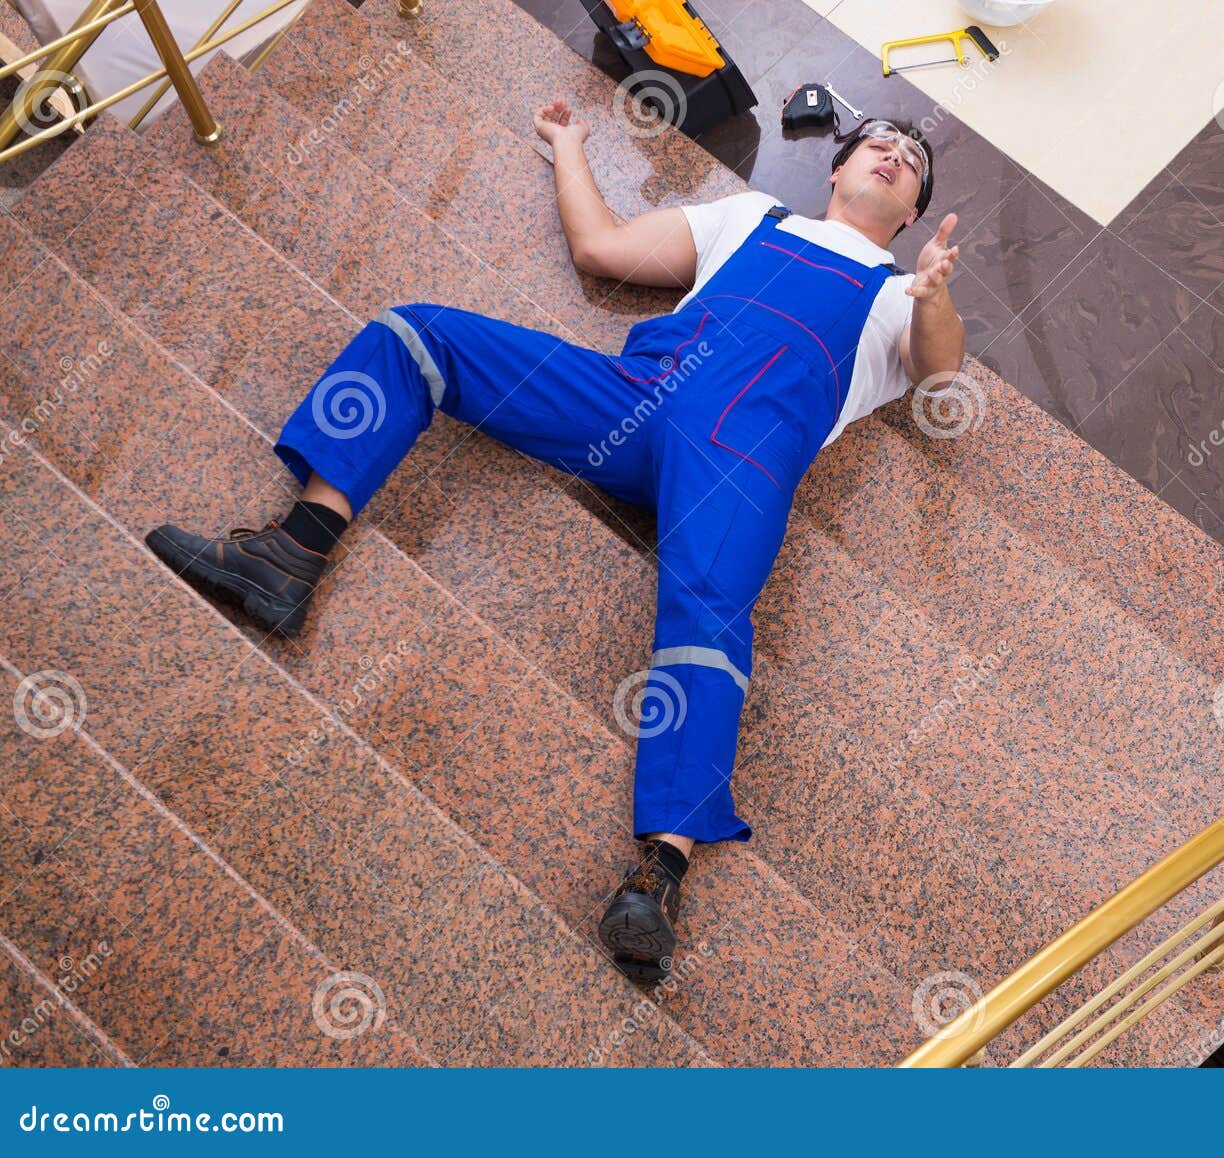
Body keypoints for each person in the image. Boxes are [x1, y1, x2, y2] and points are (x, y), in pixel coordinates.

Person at [145, 101, 965, 984]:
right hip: (632, 401)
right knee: (420, 334)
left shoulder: (895, 300)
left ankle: (659, 872)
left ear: (912, 214)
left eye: (911, 160)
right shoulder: (747, 220)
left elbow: (942, 374)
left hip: (738, 466)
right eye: (877, 143)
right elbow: (603, 250)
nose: (892, 155)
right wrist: (571, 147)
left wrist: (933, 295)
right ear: (836, 171)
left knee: (708, 620)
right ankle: (290, 552)